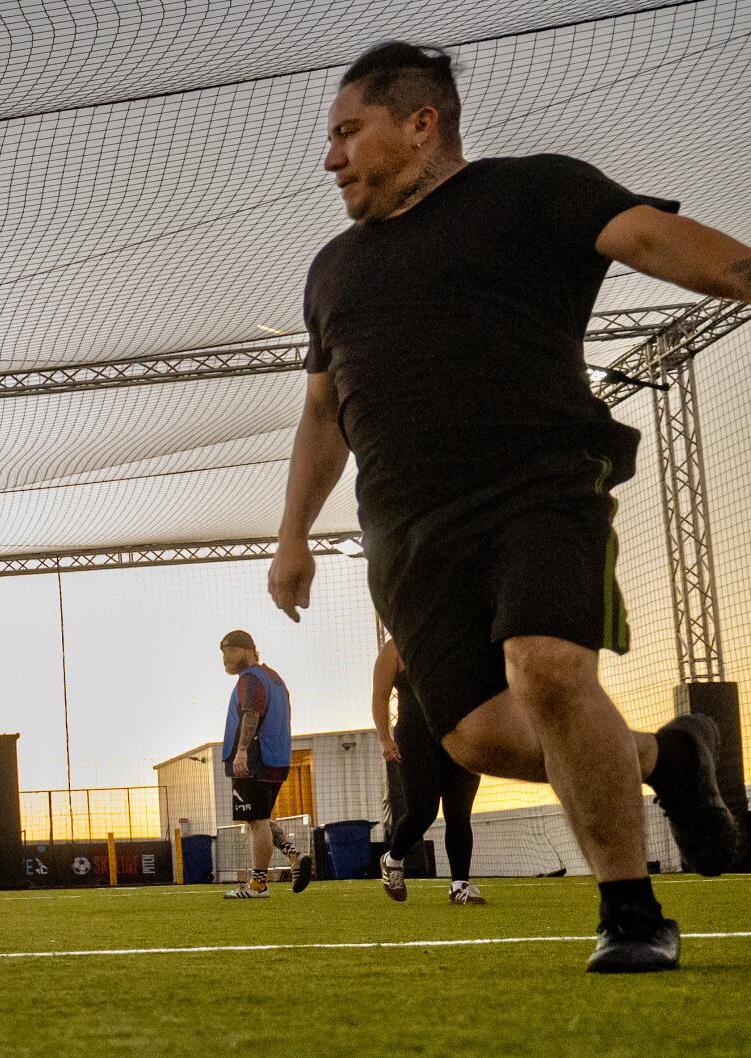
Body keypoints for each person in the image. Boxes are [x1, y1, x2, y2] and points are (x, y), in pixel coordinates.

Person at [267, 42, 751, 971]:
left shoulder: (533, 193)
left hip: (541, 482)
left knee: (548, 669)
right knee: (482, 737)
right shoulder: (332, 271)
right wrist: (292, 536)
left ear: (421, 123)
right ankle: (672, 761)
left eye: (346, 133)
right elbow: (324, 411)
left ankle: (630, 910)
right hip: (407, 532)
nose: (330, 159)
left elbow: (649, 236)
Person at [373, 635, 484, 905]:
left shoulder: (461, 638)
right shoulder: (395, 648)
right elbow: (380, 696)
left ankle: (460, 885)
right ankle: (393, 859)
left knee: (459, 812)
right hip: (416, 738)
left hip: (461, 734)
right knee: (423, 812)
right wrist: (385, 738)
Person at [217, 630, 313, 899]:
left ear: (248, 651)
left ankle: (258, 884)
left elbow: (251, 713)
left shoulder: (250, 679)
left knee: (256, 821)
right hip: (277, 758)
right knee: (259, 817)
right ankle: (294, 855)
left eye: (231, 651)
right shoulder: (274, 678)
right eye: (223, 653)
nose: (226, 658)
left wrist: (242, 751)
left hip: (256, 758)